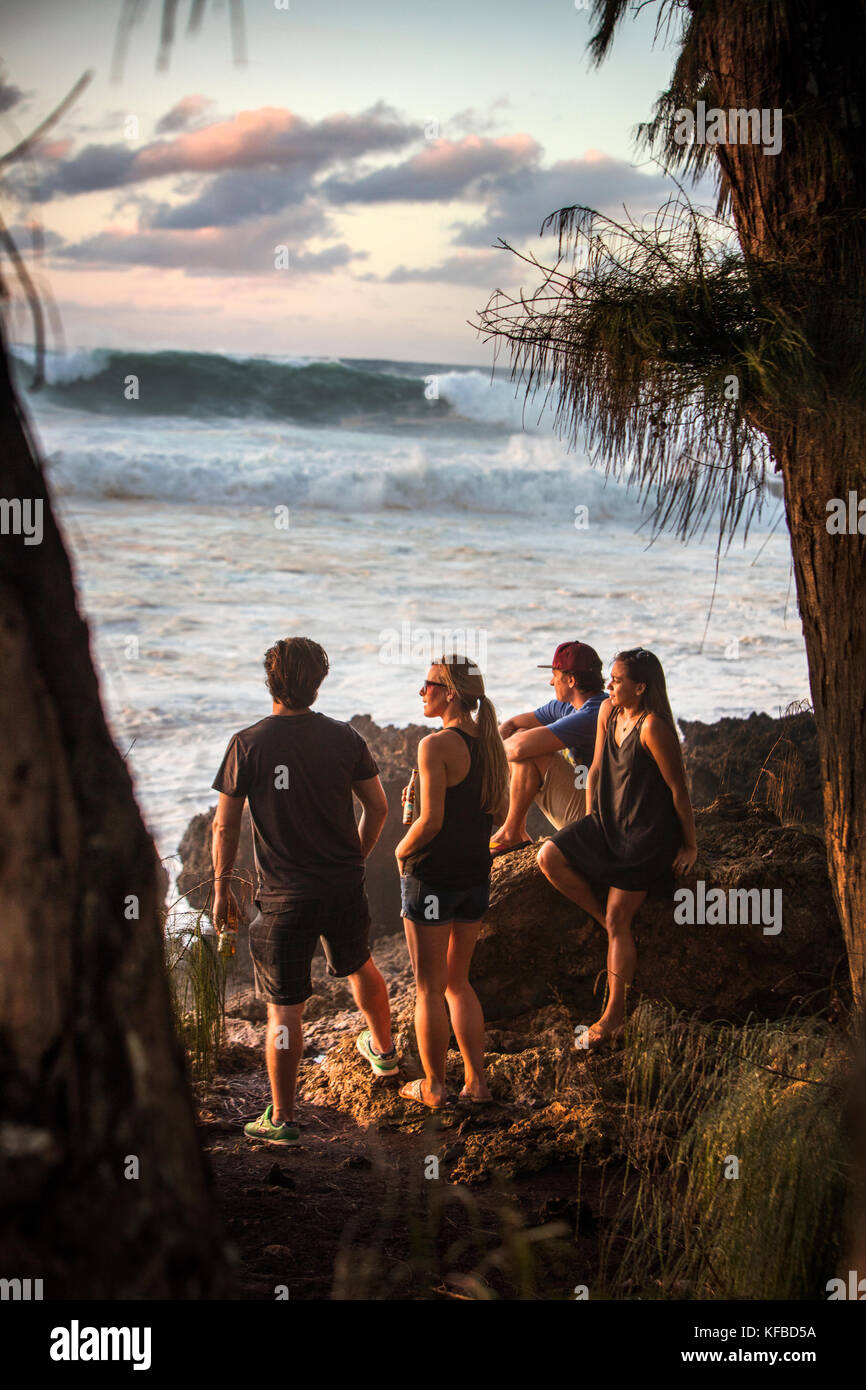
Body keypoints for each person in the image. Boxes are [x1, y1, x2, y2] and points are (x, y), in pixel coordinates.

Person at [211, 637, 397, 1147]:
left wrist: (222, 887)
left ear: (270, 681)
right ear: (319, 682)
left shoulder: (247, 743)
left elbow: (224, 828)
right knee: (360, 963)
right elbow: (378, 808)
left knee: (284, 1008)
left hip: (282, 898)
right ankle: (383, 1051)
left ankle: (284, 1119)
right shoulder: (345, 738)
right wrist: (355, 858)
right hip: (342, 886)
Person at [537, 648, 697, 1049]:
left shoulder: (653, 727)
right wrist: (592, 823)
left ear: (641, 687)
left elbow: (679, 790)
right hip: (607, 824)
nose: (609, 684)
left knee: (618, 919)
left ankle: (614, 1018)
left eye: (618, 679)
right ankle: (603, 923)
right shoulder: (609, 711)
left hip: (644, 838)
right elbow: (593, 770)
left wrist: (690, 846)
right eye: (610, 677)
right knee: (548, 857)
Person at [394, 655, 509, 1108]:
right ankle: (477, 1083)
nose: (421, 692)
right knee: (458, 983)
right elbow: (492, 813)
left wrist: (399, 851)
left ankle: (435, 1087)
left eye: (428, 685)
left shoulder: (434, 745)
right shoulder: (489, 742)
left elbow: (431, 823)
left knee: (427, 987)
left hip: (433, 878)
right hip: (475, 878)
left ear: (451, 694)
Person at [490, 641, 608, 855]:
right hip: (579, 799)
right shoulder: (565, 706)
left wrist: (481, 756)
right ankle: (513, 829)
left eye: (555, 675)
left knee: (529, 751)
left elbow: (517, 750)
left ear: (571, 680)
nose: (551, 682)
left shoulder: (594, 713)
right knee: (522, 738)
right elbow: (510, 725)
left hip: (597, 816)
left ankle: (511, 832)